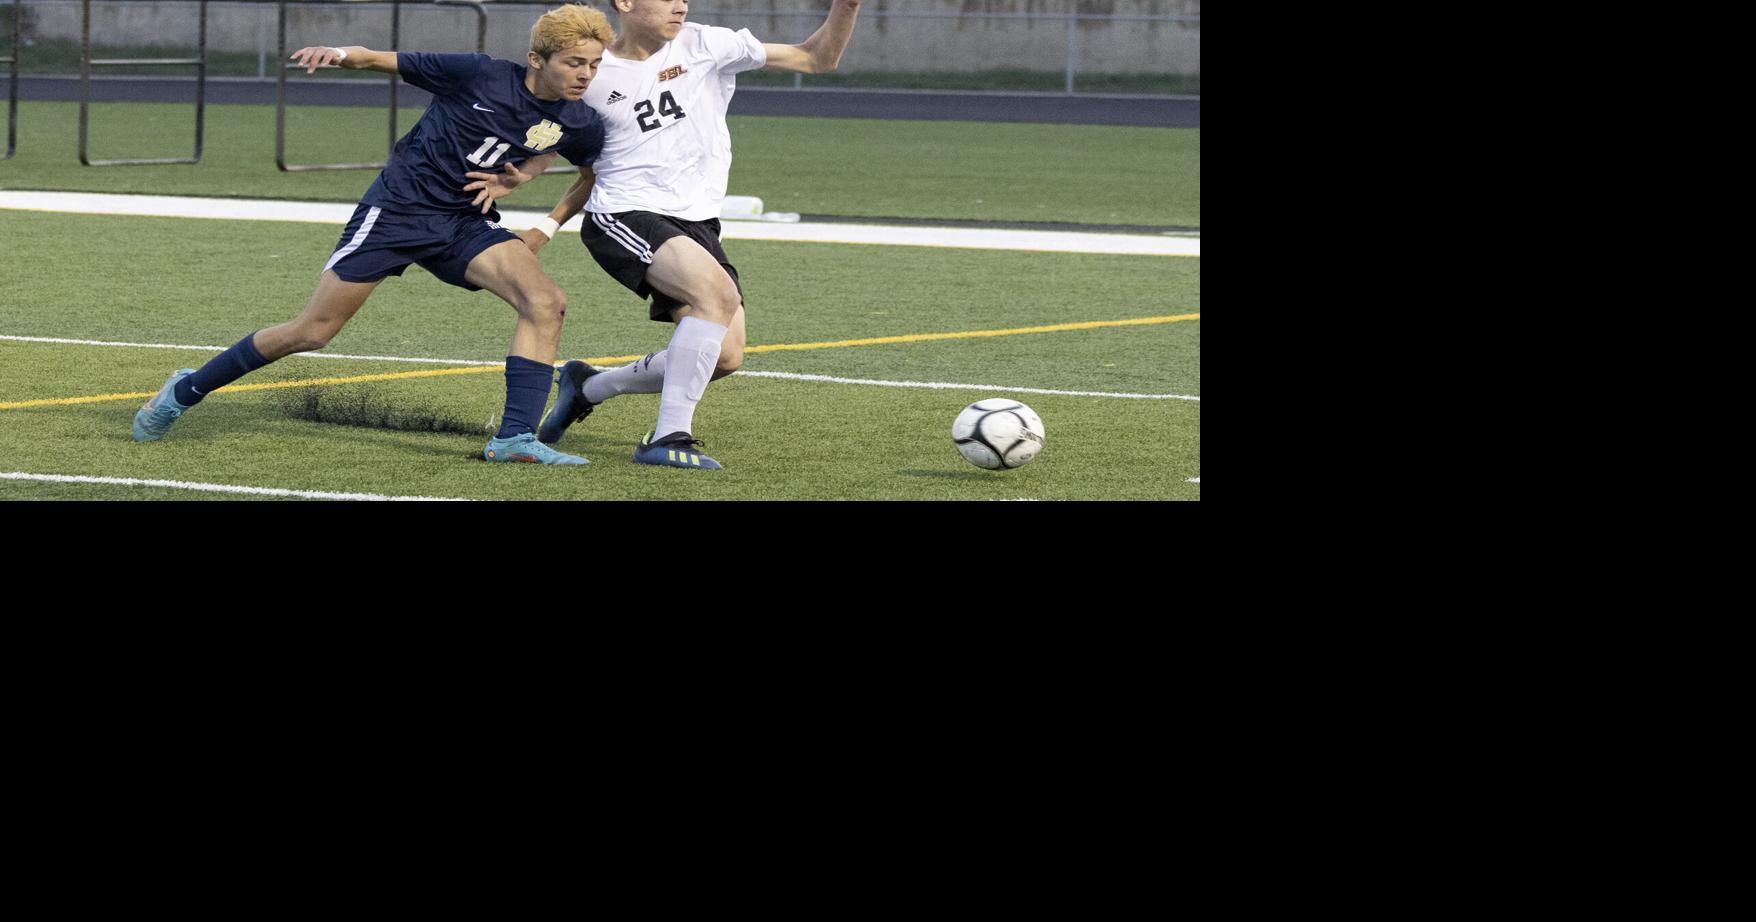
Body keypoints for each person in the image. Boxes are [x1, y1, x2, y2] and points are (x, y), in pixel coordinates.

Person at [132, 4, 615, 465]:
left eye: (593, 65)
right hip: (397, 213)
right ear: (537, 59)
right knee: (314, 332)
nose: (586, 75)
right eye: (575, 63)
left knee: (546, 301)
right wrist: (339, 55)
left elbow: (579, 166)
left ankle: (515, 438)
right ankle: (186, 389)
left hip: (464, 223)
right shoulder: (478, 73)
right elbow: (374, 58)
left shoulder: (580, 118)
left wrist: (533, 201)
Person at [467, 0, 862, 470]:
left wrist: (847, 6)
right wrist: (536, 208)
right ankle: (669, 436)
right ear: (626, 4)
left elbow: (817, 58)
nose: (681, 4)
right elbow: (567, 153)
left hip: (697, 222)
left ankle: (587, 387)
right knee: (715, 295)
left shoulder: (707, 43)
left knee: (726, 356)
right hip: (623, 213)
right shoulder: (590, 73)